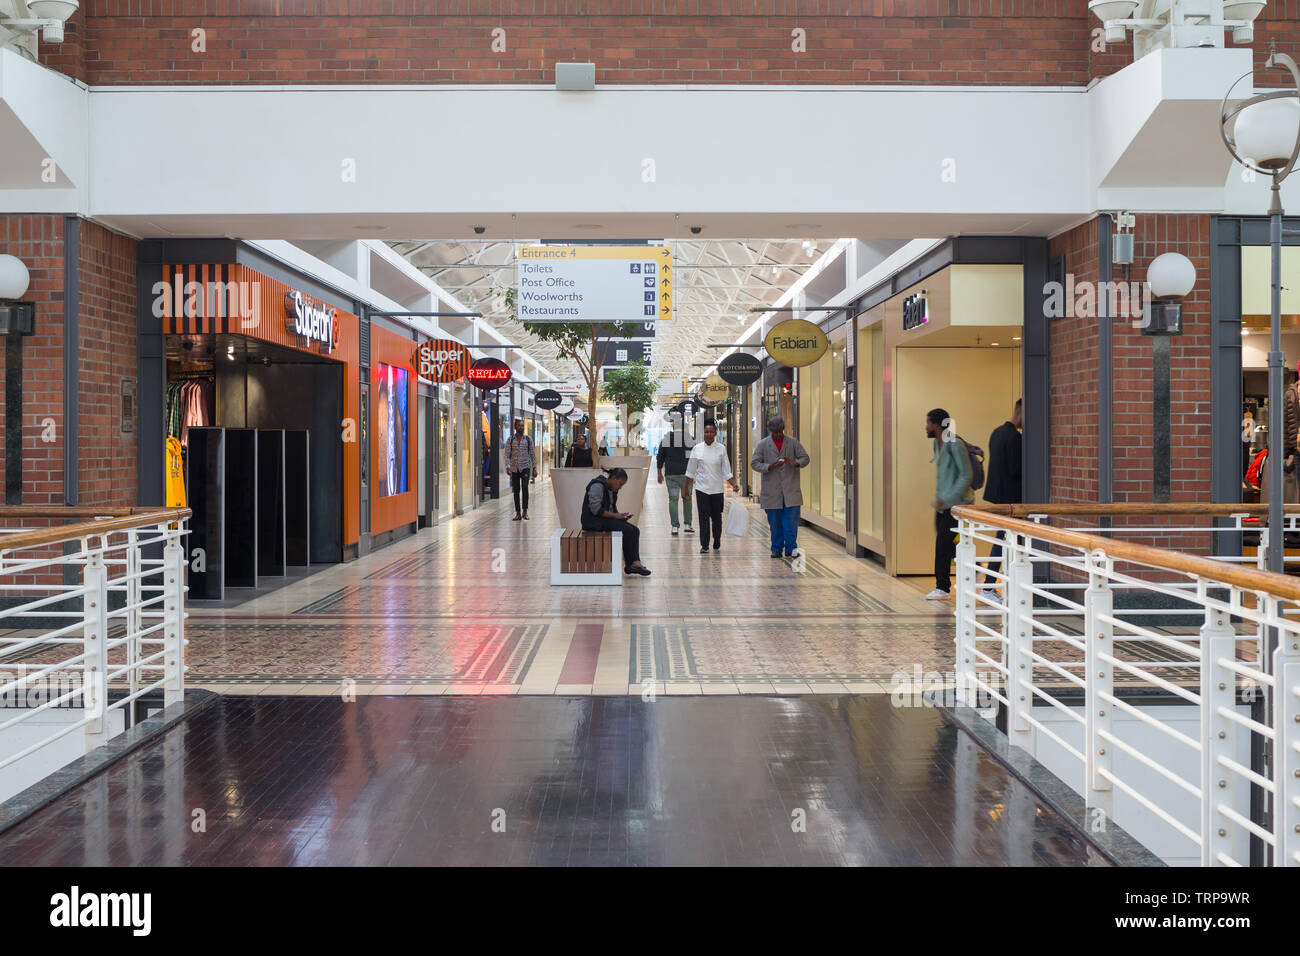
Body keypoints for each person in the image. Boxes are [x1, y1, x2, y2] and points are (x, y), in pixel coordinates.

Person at [925, 407, 973, 601]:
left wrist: (950, 498)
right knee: (950, 545)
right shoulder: (937, 445)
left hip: (958, 505)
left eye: (928, 422)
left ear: (936, 425)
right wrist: (939, 498)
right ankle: (974, 567)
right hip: (943, 505)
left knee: (943, 545)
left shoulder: (956, 444)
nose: (925, 426)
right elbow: (942, 474)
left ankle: (942, 587)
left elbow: (966, 475)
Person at [981, 399, 1023, 599]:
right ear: (1021, 412)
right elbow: (1015, 469)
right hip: (1012, 498)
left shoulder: (997, 432)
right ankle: (989, 586)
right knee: (1004, 540)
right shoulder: (1015, 437)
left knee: (1004, 539)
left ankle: (994, 584)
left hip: (998, 496)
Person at [750, 416, 810, 558]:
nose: (777, 434)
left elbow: (805, 458)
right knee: (775, 524)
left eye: (779, 432)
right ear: (770, 431)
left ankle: (791, 548)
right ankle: (776, 548)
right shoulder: (763, 444)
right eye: (774, 432)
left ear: (783, 429)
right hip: (772, 492)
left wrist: (794, 463)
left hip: (791, 491)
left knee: (790, 524)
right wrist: (769, 466)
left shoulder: (793, 443)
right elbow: (754, 463)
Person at [580, 467, 651, 576]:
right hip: (593, 522)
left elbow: (611, 509)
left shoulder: (612, 489)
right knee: (627, 530)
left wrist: (621, 516)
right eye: (620, 484)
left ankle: (634, 563)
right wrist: (615, 516)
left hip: (603, 520)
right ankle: (630, 564)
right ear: (613, 478)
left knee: (635, 530)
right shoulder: (597, 486)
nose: (620, 487)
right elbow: (596, 510)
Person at [685, 420, 739, 553]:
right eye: (706, 432)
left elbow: (726, 469)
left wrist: (733, 484)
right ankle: (704, 545)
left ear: (715, 434)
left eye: (711, 432)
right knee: (703, 518)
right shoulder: (697, 449)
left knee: (716, 518)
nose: (708, 434)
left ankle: (717, 539)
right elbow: (690, 471)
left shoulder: (721, 448)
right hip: (701, 489)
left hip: (717, 490)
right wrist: (686, 489)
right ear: (703, 434)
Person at [656, 414, 695, 536]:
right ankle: (687, 525)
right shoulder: (690, 438)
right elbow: (694, 457)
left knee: (673, 499)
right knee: (687, 498)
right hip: (686, 474)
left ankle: (674, 527)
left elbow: (660, 457)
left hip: (671, 474)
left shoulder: (666, 439)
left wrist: (659, 473)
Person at [505, 418, 535, 521]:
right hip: (514, 468)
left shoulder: (528, 439)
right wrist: (508, 466)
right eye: (519, 425)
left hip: (525, 467)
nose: (521, 427)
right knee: (516, 490)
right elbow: (507, 454)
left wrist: (534, 467)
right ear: (515, 427)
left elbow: (532, 453)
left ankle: (525, 511)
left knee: (525, 488)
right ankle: (518, 512)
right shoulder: (510, 439)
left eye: (522, 426)